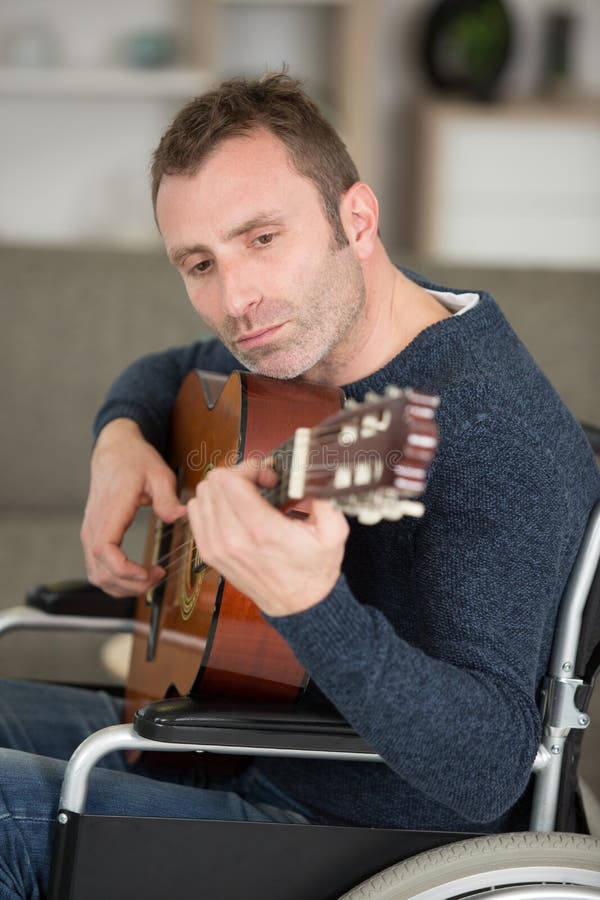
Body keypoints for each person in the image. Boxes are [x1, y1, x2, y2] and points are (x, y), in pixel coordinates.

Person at [1, 72, 599, 899]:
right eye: (199, 263)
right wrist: (120, 437)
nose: (236, 299)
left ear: (355, 218)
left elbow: (488, 767)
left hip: (351, 829)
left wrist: (310, 605)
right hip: (228, 735)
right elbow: (171, 369)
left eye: (262, 239)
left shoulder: (494, 436)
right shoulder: (309, 343)